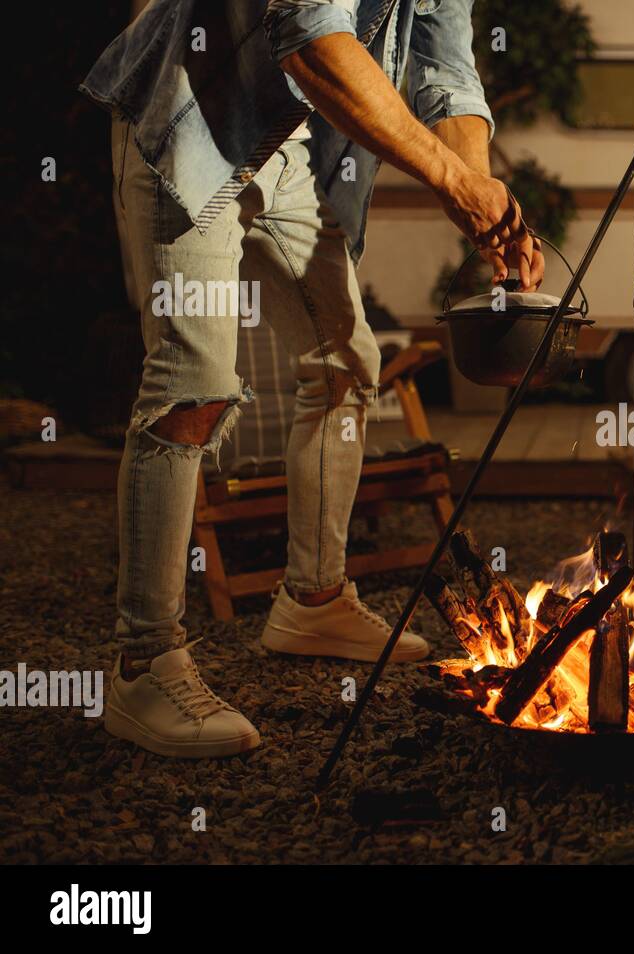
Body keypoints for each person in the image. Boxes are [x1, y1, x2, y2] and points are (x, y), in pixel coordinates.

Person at [79, 0, 544, 758]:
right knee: (192, 383)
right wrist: (452, 183)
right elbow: (309, 36)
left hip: (288, 149)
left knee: (346, 362)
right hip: (192, 110)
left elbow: (447, 74)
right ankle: (143, 663)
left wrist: (481, 200)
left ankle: (312, 600)